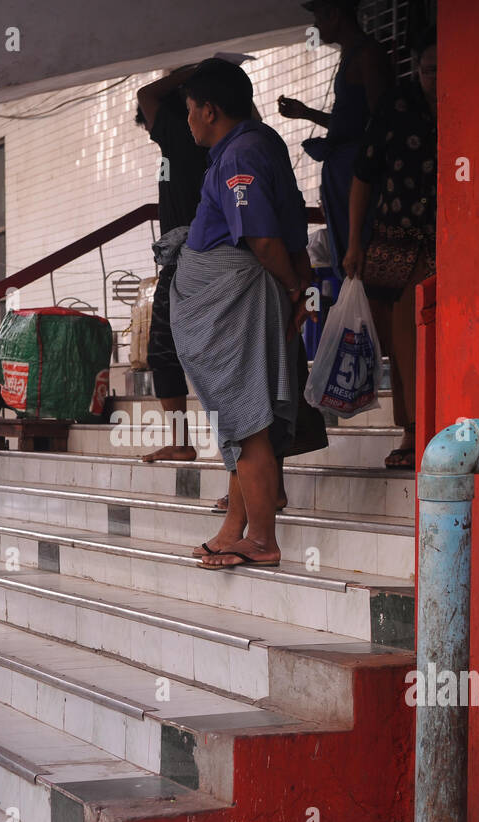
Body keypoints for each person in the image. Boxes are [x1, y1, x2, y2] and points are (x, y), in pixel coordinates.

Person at [167, 58, 314, 570]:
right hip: (246, 291)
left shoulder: (240, 156)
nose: (187, 122)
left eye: (189, 112)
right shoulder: (259, 140)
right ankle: (236, 528)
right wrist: (297, 285)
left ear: (209, 110)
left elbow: (264, 237)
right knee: (241, 417)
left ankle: (264, 541)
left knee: (248, 422)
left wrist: (295, 285)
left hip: (238, 297)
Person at [342, 29, 436, 470]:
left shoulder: (470, 98)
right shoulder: (397, 107)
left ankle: (447, 423)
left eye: (442, 69)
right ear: (416, 69)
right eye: (428, 70)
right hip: (396, 243)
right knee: (404, 341)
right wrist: (354, 242)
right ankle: (413, 430)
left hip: (453, 242)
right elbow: (363, 174)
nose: (435, 79)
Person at [279, 0, 388, 278]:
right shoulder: (350, 54)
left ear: (335, 15)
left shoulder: (367, 54)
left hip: (357, 168)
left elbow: (379, 119)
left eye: (319, 18)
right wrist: (305, 113)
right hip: (343, 166)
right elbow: (349, 121)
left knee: (361, 249)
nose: (315, 26)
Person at [137, 65, 213, 463]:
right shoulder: (217, 141)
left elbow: (145, 96)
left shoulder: (180, 133)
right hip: (192, 254)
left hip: (193, 256)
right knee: (169, 350)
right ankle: (184, 441)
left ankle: (190, 442)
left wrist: (188, 73)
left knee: (167, 350)